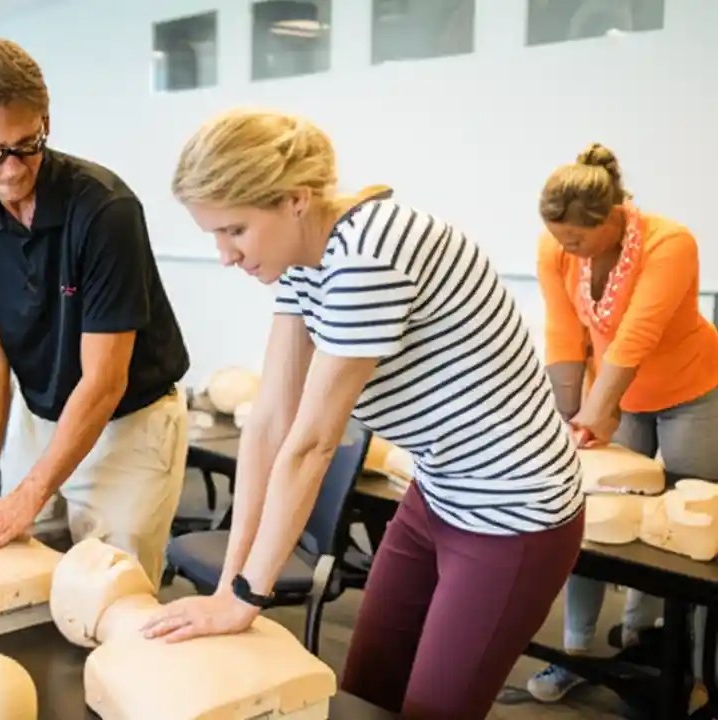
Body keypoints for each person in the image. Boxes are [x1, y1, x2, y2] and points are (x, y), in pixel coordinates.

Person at [140, 109, 585, 720]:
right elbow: (271, 422)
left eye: (235, 230)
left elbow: (313, 441)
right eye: (214, 236)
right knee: (363, 691)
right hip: (438, 495)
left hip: (515, 513)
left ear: (296, 199)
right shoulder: (304, 264)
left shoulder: (371, 254)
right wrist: (229, 585)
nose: (225, 255)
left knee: (433, 708)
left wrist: (248, 596)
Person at [0, 38, 191, 588]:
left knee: (110, 596)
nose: (12, 169)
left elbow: (104, 380)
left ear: (45, 119)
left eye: (27, 145)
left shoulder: (104, 210)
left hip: (128, 427)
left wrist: (30, 493)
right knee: (10, 578)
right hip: (38, 415)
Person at [526, 144, 718, 703]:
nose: (567, 249)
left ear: (610, 219)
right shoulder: (556, 248)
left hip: (691, 392)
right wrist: (568, 419)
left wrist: (598, 409)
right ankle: (576, 653)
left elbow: (637, 336)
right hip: (618, 394)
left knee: (687, 533)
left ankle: (670, 653)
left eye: (577, 240)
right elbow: (562, 333)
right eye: (559, 238)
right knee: (595, 517)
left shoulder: (669, 242)